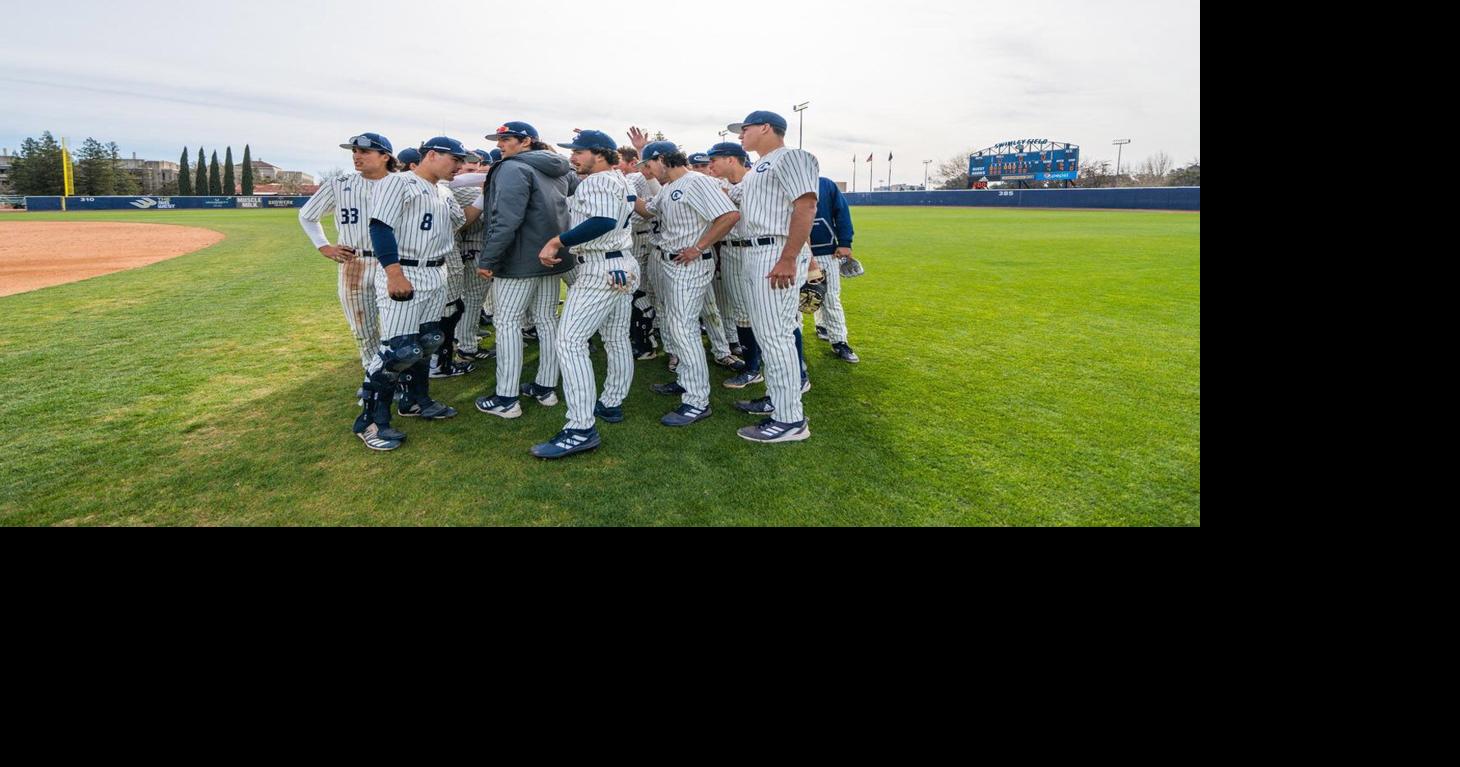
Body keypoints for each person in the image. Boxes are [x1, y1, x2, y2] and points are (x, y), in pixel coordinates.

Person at [355, 137, 471, 451]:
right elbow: (379, 227)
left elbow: (457, 224)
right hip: (405, 269)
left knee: (426, 342)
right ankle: (370, 421)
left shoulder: (443, 190)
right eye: (454, 159)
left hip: (436, 271)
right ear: (431, 155)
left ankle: (416, 400)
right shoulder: (400, 183)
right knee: (397, 351)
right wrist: (393, 272)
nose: (459, 165)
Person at [528, 130, 638, 458]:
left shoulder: (598, 180)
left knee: (569, 341)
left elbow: (602, 220)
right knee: (616, 338)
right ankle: (611, 403)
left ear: (600, 153)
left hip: (600, 266)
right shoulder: (622, 179)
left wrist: (556, 241)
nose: (573, 157)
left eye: (579, 151)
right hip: (623, 262)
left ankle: (580, 427)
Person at [473, 121, 579, 419]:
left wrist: (489, 259)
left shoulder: (512, 168)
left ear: (526, 141)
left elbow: (505, 219)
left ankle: (506, 397)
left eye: (507, 139)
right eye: (500, 139)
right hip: (553, 255)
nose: (500, 144)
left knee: (507, 322)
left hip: (520, 260)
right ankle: (546, 387)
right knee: (546, 320)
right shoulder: (556, 167)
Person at [725, 110, 818, 443]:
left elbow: (805, 206)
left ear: (765, 128)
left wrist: (789, 257)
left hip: (775, 249)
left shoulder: (791, 156)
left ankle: (791, 419)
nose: (740, 135)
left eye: (745, 128)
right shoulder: (757, 169)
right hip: (756, 250)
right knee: (771, 336)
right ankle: (779, 400)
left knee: (776, 337)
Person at [634, 140, 740, 427]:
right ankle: (685, 381)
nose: (649, 172)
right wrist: (624, 192)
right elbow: (648, 210)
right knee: (675, 325)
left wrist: (699, 246)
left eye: (649, 164)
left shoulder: (697, 182)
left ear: (662, 159)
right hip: (670, 261)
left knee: (684, 328)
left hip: (689, 262)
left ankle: (697, 400)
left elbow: (729, 215)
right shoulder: (669, 187)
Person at [298, 133, 396, 377]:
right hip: (355, 262)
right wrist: (324, 246)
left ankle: (398, 374)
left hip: (394, 263)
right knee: (363, 327)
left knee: (397, 325)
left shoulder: (402, 183)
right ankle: (375, 376)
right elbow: (307, 215)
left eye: (364, 151)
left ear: (385, 156)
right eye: (354, 151)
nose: (356, 156)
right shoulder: (339, 184)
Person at [809, 176, 859, 363]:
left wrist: (845, 242)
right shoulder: (781, 181)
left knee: (830, 297)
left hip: (827, 251)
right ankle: (795, 343)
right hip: (792, 251)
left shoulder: (825, 184)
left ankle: (839, 341)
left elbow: (842, 212)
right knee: (795, 301)